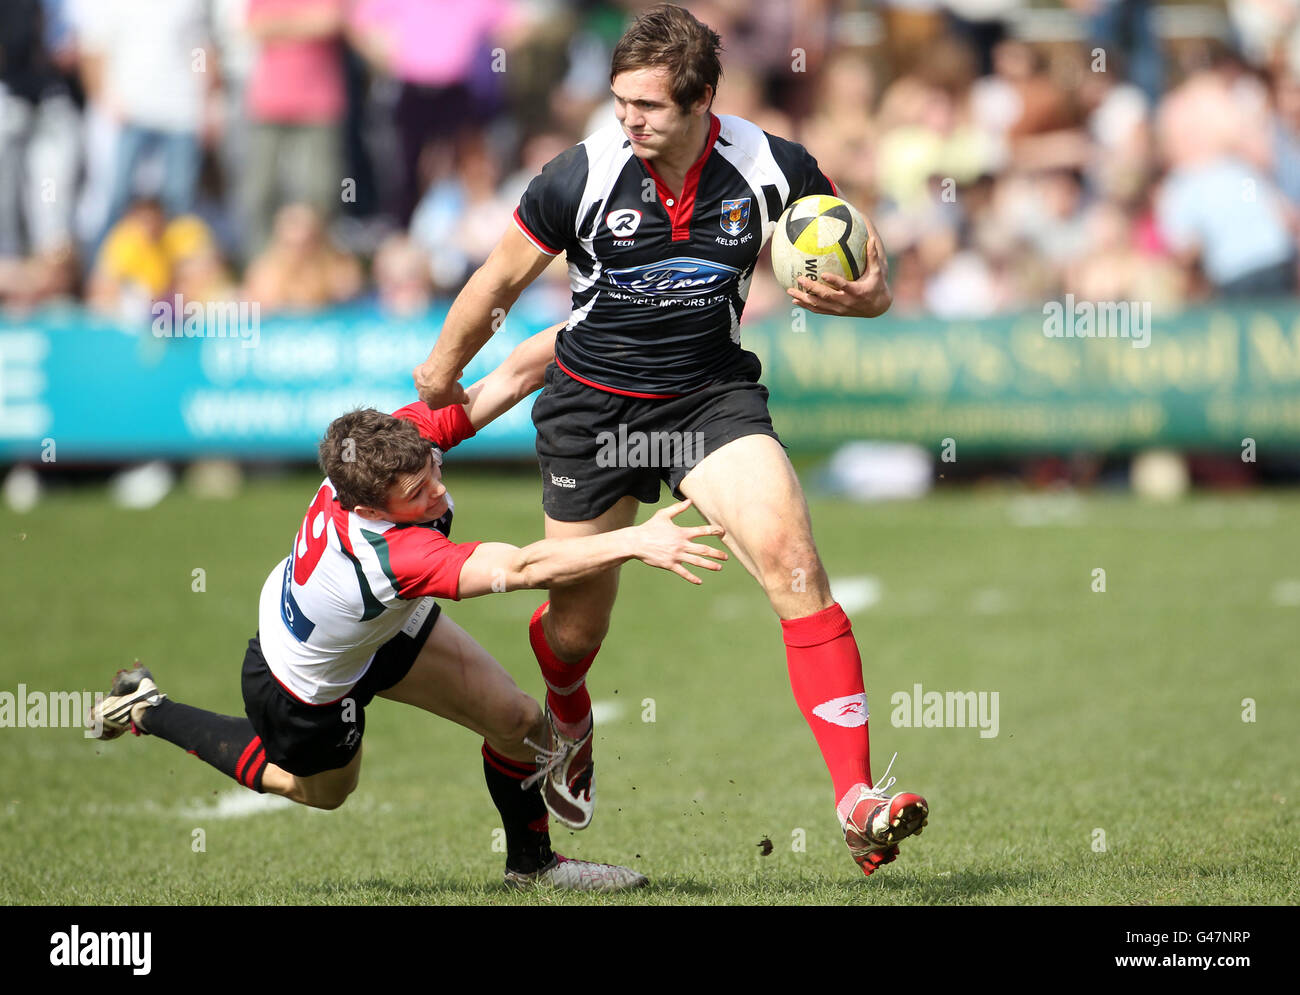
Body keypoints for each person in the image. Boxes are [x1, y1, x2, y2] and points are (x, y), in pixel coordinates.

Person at [413, 4, 928, 878]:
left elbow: (867, 270)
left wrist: (870, 298)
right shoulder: (579, 174)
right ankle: (567, 709)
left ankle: (855, 802)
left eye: (648, 107)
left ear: (702, 102)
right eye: (621, 102)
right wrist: (438, 375)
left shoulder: (773, 166)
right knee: (575, 630)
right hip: (590, 413)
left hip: (709, 400)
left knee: (794, 563)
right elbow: (497, 280)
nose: (629, 121)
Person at [90, 325, 729, 891]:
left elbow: (510, 375)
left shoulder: (388, 449)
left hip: (378, 628)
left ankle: (533, 868)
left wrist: (610, 318)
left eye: (432, 472)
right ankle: (151, 710)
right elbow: (523, 567)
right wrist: (637, 540)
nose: (438, 491)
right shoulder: (390, 556)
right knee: (323, 793)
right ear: (370, 510)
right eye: (418, 493)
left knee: (517, 721)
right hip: (301, 682)